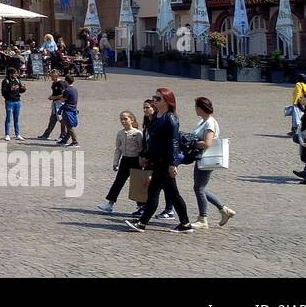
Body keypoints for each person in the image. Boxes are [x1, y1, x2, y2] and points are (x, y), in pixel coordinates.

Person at [126, 88, 194, 233]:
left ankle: (142, 223)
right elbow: (152, 140)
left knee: (156, 191)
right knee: (170, 193)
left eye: (158, 99)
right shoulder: (157, 115)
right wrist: (146, 155)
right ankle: (185, 223)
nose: (154, 101)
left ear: (167, 101)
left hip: (165, 162)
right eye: (154, 97)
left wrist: (172, 164)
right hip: (156, 160)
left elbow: (173, 143)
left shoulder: (170, 118)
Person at [188, 97, 235, 229]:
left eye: (196, 106)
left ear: (200, 108)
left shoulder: (210, 123)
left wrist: (192, 143)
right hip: (200, 158)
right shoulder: (202, 122)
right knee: (199, 188)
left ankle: (203, 219)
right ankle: (223, 210)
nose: (195, 109)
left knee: (199, 188)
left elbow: (207, 143)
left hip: (207, 158)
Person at [98, 110, 144, 213]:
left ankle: (141, 206)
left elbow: (141, 148)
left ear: (131, 120)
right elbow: (118, 149)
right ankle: (110, 204)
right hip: (125, 160)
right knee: (118, 182)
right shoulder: (120, 133)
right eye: (121, 119)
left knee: (137, 184)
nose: (123, 121)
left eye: (125, 119)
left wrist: (141, 160)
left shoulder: (138, 133)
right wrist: (115, 162)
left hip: (136, 160)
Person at [36, 70, 68, 142]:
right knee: (52, 119)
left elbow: (63, 95)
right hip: (55, 103)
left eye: (52, 76)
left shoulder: (61, 83)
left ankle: (63, 135)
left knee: (61, 120)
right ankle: (46, 134)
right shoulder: (54, 83)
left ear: (56, 76)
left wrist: (53, 97)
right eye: (51, 76)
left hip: (60, 104)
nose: (51, 77)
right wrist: (52, 96)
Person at [0, 66, 25, 140]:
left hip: (17, 101)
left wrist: (23, 89)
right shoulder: (5, 81)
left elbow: (20, 91)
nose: (16, 74)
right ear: (10, 74)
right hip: (9, 101)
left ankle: (17, 134)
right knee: (8, 118)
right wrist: (11, 89)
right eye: (15, 73)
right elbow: (3, 92)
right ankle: (7, 134)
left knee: (16, 119)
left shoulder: (17, 80)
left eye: (16, 73)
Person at [58, 75, 80, 148]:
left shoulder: (67, 90)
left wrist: (60, 97)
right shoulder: (75, 89)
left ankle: (75, 142)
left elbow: (63, 100)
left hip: (67, 110)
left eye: (65, 81)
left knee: (69, 127)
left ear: (67, 81)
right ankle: (64, 140)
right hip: (73, 109)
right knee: (68, 125)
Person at [288, 72, 306, 137]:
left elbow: (298, 93)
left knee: (295, 116)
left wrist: (295, 102)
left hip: (299, 101)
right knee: (302, 115)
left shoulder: (298, 84)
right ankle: (302, 129)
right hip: (305, 101)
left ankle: (294, 130)